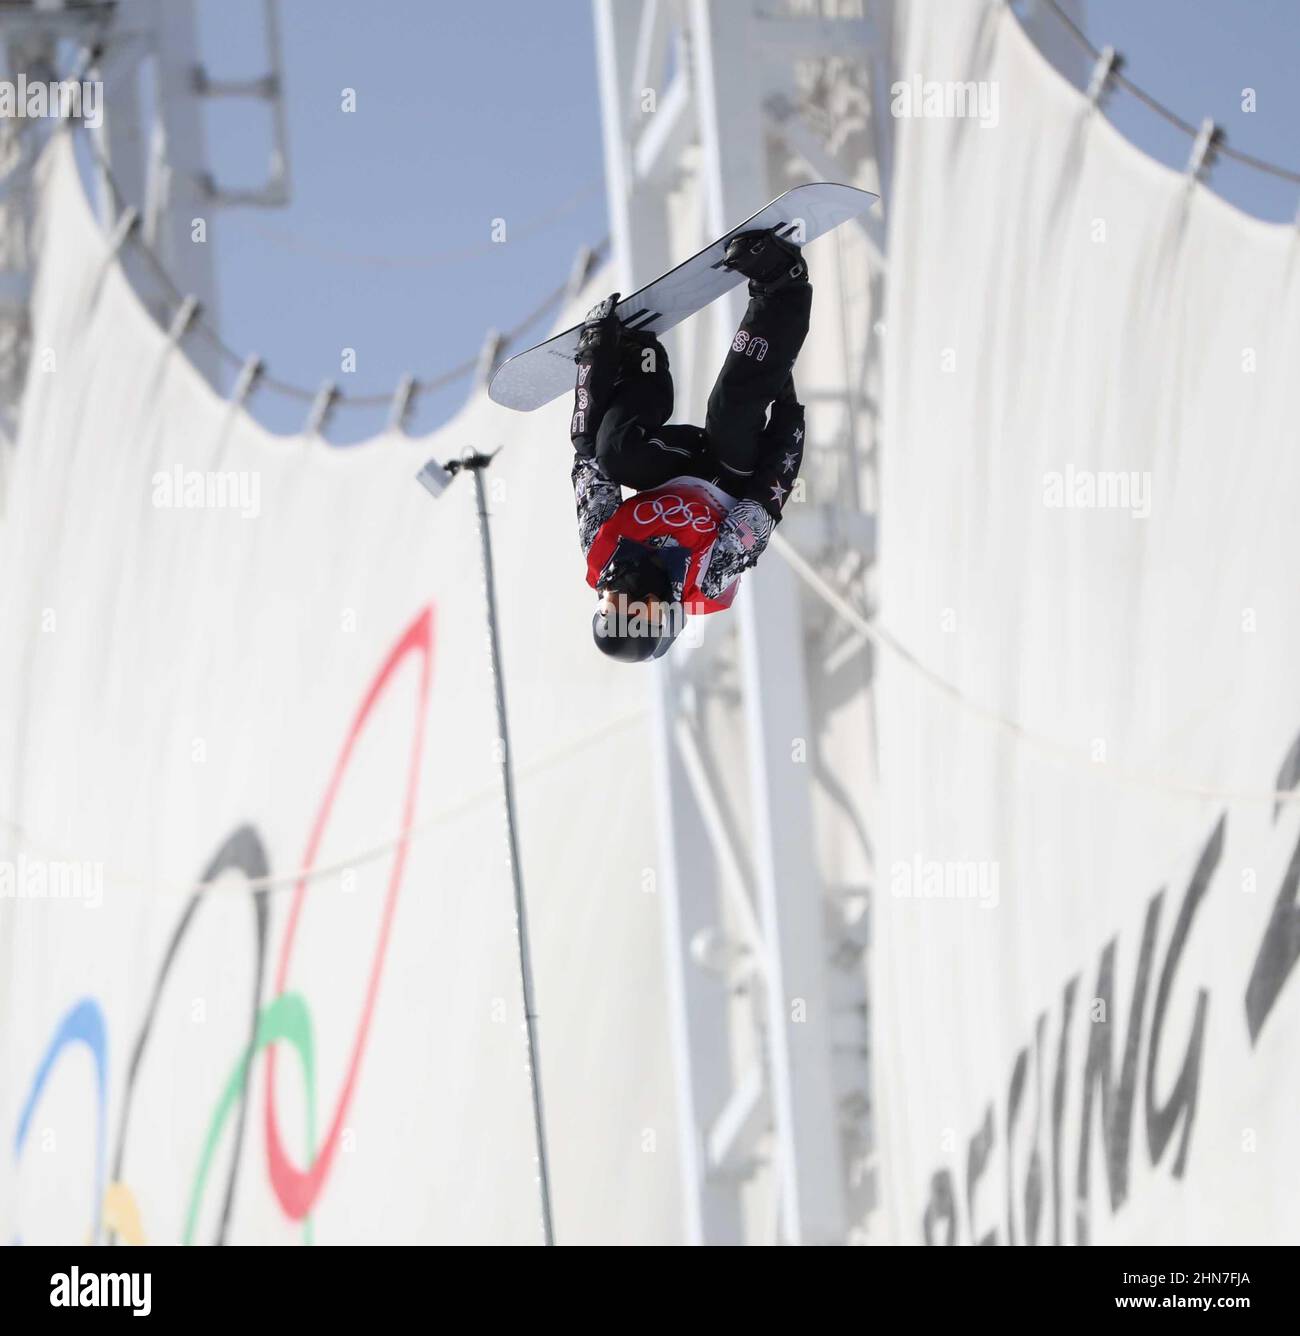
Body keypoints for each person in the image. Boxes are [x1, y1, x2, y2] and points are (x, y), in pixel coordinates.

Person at [570, 227, 812, 663]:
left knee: (610, 451)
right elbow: (765, 499)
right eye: (642, 609)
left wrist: (595, 364)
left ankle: (640, 367)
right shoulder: (707, 578)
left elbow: (589, 465)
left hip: (671, 468)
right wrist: (787, 419)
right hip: (729, 474)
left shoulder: (602, 554)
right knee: (731, 410)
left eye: (615, 601)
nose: (624, 591)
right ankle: (782, 284)